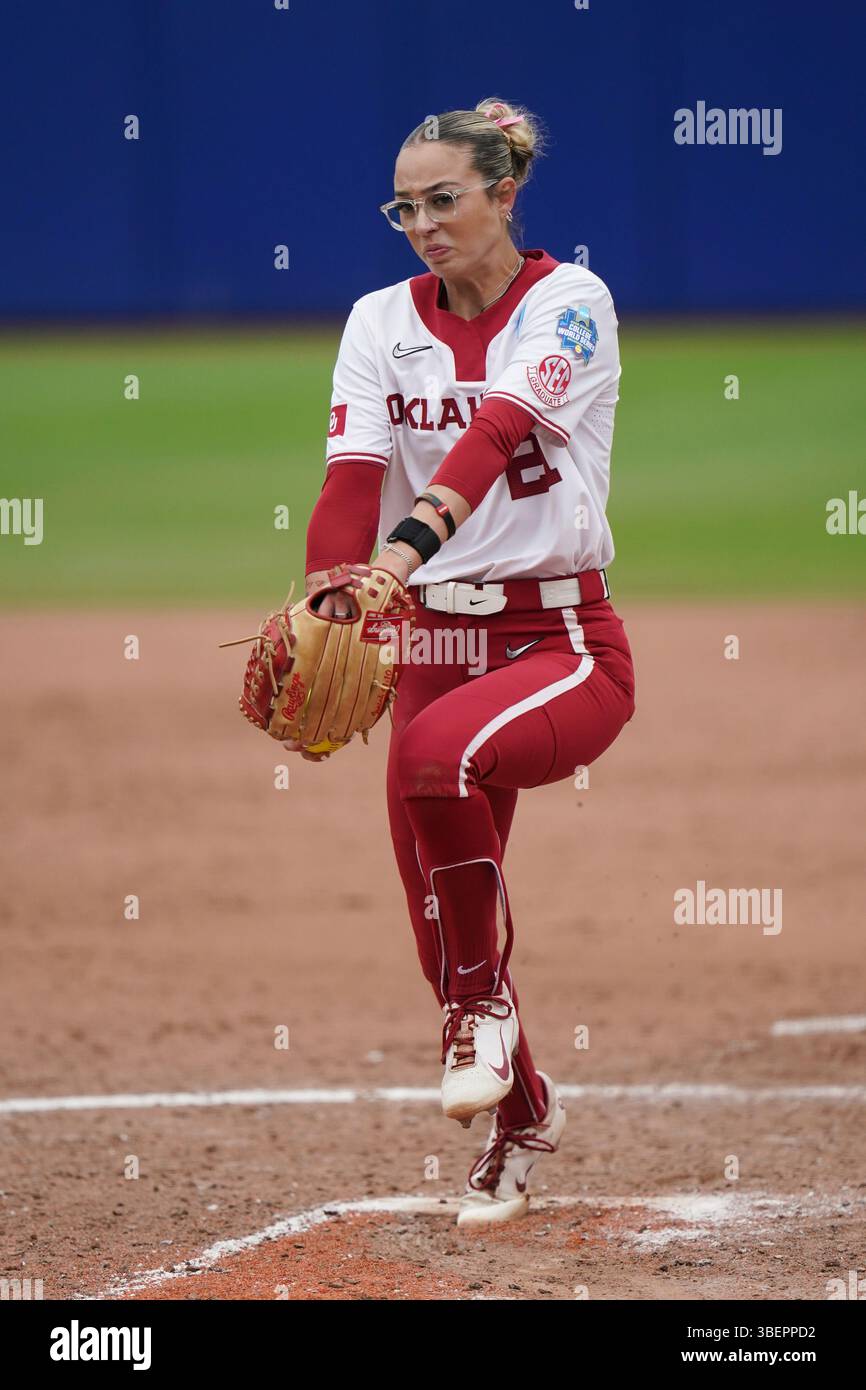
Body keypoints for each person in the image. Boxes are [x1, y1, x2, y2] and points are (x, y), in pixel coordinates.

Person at [289, 97, 636, 1228]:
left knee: (438, 759)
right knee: (435, 915)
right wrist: (329, 594)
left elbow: (489, 440)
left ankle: (478, 1015)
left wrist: (395, 552)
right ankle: (519, 1110)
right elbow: (349, 477)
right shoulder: (377, 318)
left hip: (560, 640)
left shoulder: (569, 304)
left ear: (503, 192)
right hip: (432, 637)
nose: (424, 224)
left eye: (446, 199)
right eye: (405, 206)